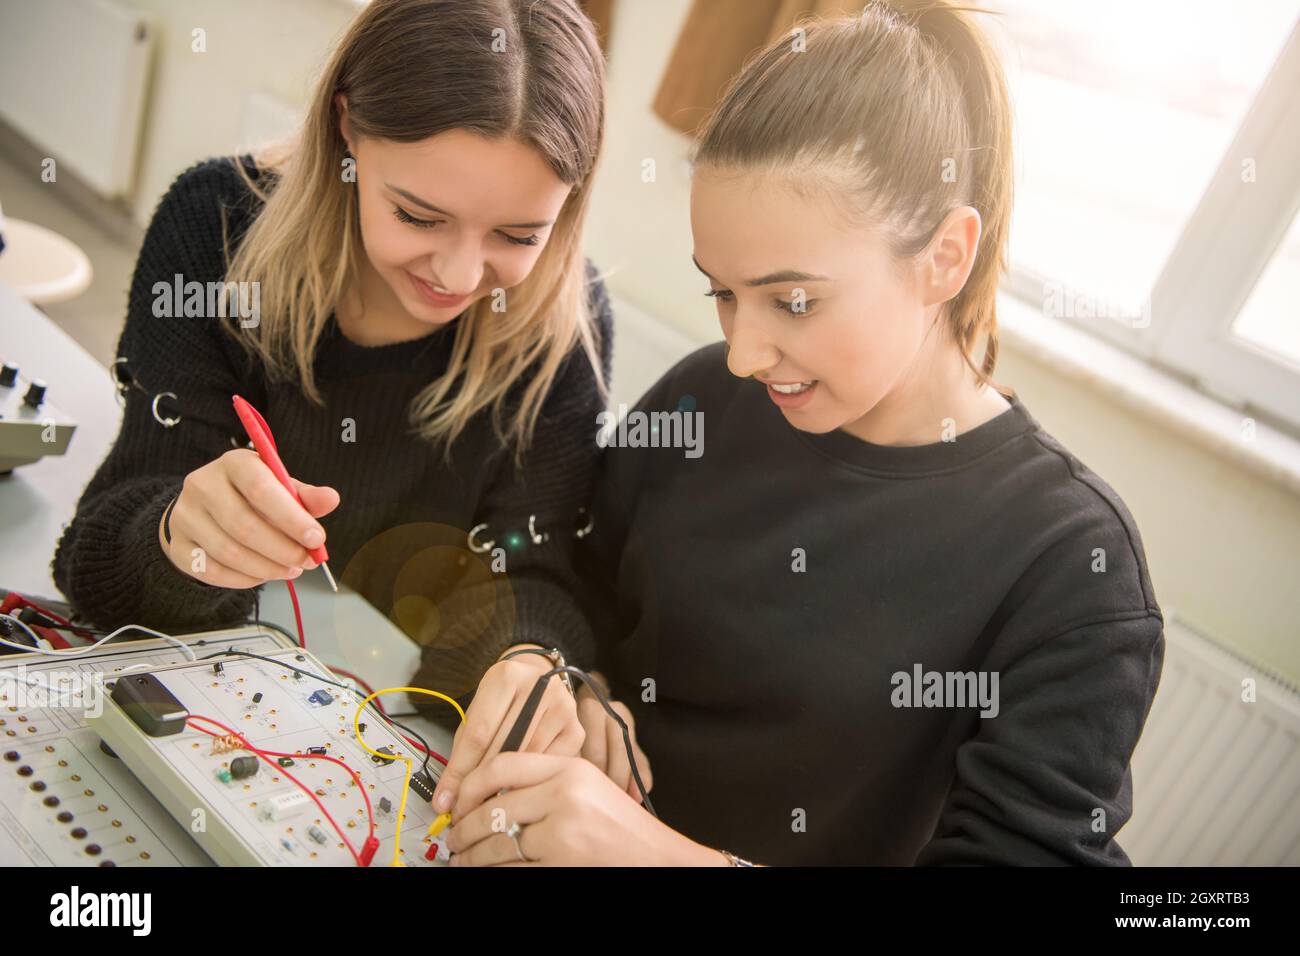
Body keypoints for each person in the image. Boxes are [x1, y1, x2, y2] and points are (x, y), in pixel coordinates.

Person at [443, 0, 1165, 866]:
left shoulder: (1071, 563)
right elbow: (567, 577)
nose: (743, 354)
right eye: (722, 291)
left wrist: (650, 854)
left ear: (945, 257)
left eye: (792, 301)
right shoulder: (702, 401)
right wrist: (569, 677)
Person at [52, 0, 611, 750]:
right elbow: (98, 569)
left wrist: (525, 662)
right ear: (346, 127)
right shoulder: (214, 229)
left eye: (518, 235)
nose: (458, 273)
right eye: (418, 216)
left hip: (372, 726)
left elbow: (530, 571)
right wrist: (181, 538)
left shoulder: (562, 329)